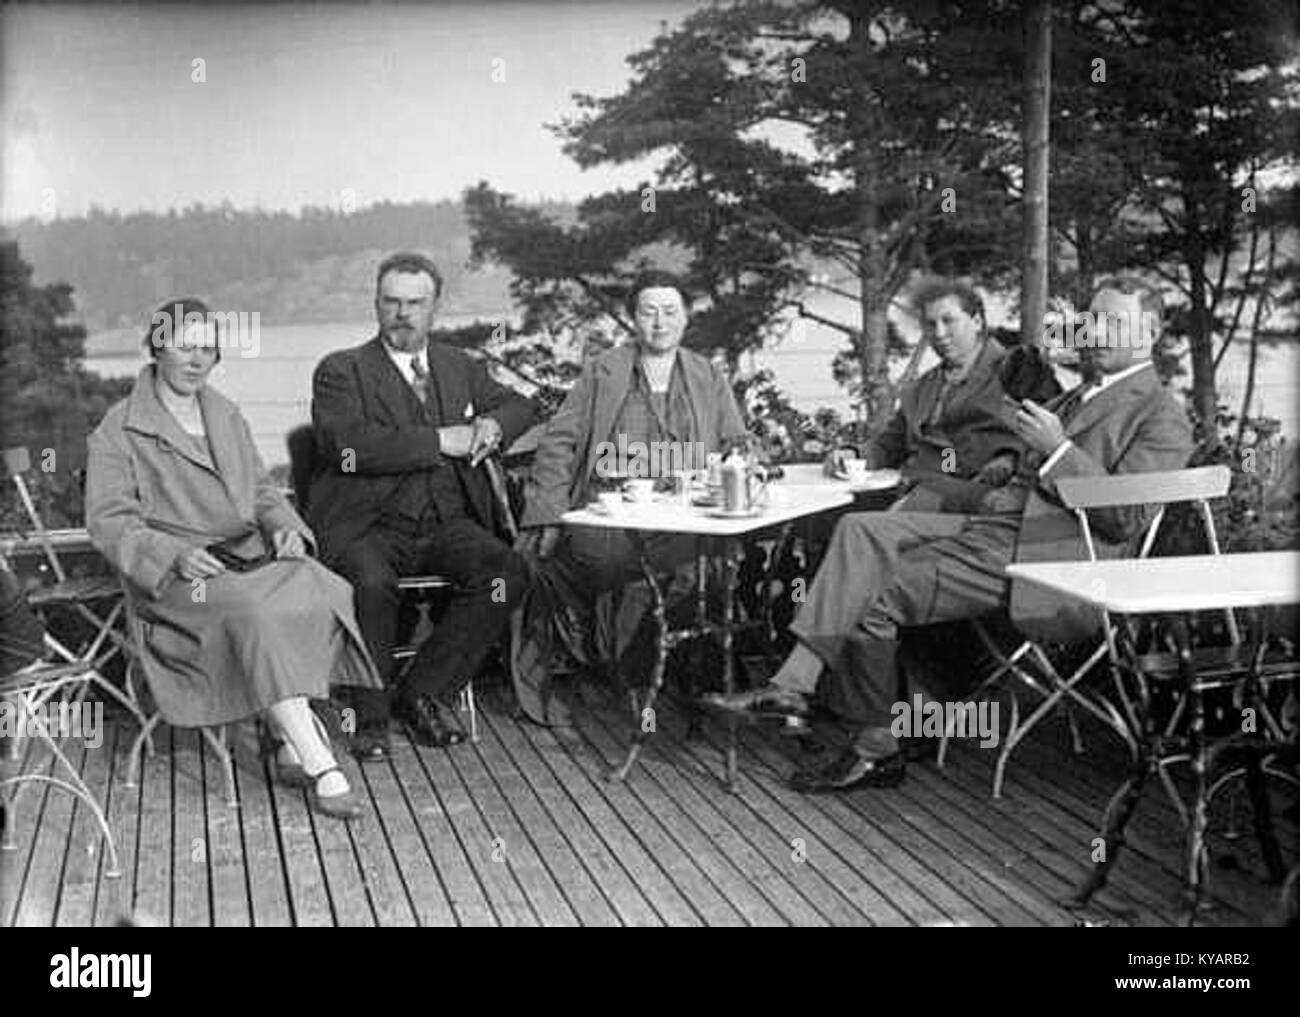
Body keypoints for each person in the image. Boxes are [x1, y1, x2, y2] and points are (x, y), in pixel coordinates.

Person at [706, 277, 1195, 791]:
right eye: (1091, 319)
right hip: (999, 523)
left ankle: (874, 748)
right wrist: (1015, 462)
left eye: (1113, 322)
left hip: (1052, 558)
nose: (1095, 332)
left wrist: (1055, 452)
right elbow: (1026, 449)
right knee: (858, 529)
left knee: (873, 597)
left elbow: (1128, 517)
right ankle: (792, 686)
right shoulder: (1080, 394)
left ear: (1152, 331)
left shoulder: (1160, 413)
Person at [86, 300, 381, 820]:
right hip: (180, 581)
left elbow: (263, 492)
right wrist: (174, 555)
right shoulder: (120, 427)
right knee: (254, 613)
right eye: (184, 347)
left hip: (245, 557)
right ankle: (320, 761)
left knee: (323, 586)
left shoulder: (223, 412)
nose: (197, 360)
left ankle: (287, 736)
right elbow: (109, 520)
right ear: (157, 347)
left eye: (207, 349)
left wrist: (287, 529)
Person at [310, 253, 538, 758]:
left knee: (507, 574)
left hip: (446, 526)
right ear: (376, 304)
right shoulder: (341, 371)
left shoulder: (458, 366)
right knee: (371, 584)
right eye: (391, 302)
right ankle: (369, 718)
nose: (402, 313)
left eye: (415, 303)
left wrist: (495, 425)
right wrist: (441, 440)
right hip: (368, 525)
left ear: (435, 308)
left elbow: (523, 405)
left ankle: (425, 693)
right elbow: (348, 448)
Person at [512, 270, 751, 725]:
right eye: (648, 312)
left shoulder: (706, 376)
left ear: (685, 319)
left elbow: (737, 439)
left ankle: (670, 678)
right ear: (633, 320)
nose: (659, 323)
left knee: (698, 566)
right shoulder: (603, 373)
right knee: (611, 561)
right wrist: (547, 514)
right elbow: (559, 440)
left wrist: (742, 456)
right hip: (609, 512)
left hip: (684, 515)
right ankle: (630, 680)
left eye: (669, 312)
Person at [827, 279, 1055, 512]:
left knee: (857, 526)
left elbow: (1055, 431)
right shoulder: (922, 387)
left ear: (977, 321)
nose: (939, 333)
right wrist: (854, 455)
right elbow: (889, 444)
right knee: (823, 515)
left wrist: (1010, 459)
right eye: (930, 324)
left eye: (949, 321)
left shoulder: (1019, 371)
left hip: (972, 500)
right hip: (910, 489)